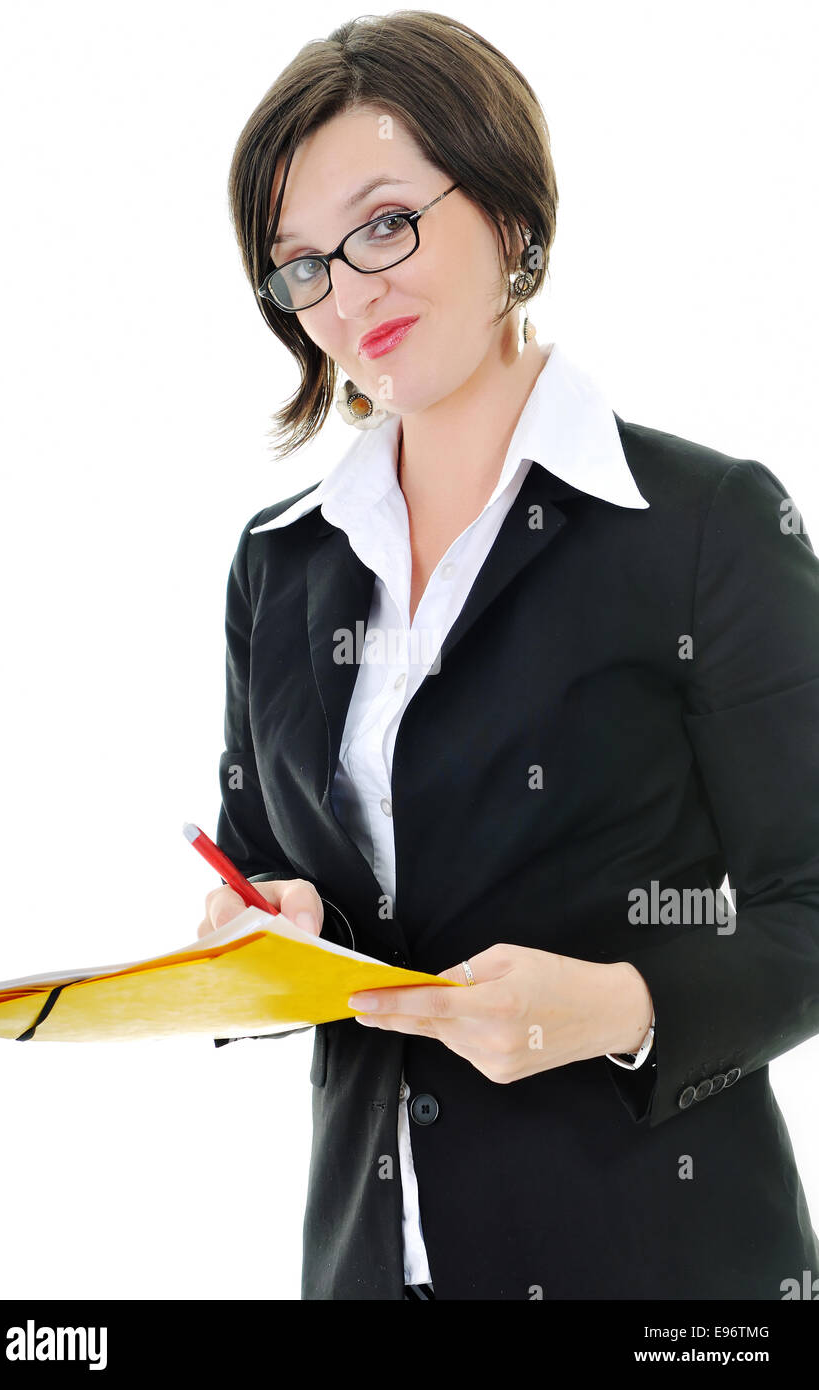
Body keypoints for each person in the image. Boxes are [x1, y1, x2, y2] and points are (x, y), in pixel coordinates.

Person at [197, 12, 819, 1300]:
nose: (348, 289)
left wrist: (619, 1010)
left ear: (509, 212)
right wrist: (269, 920)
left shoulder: (703, 528)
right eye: (302, 262)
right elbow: (262, 857)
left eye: (383, 224)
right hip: (369, 1265)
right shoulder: (282, 561)